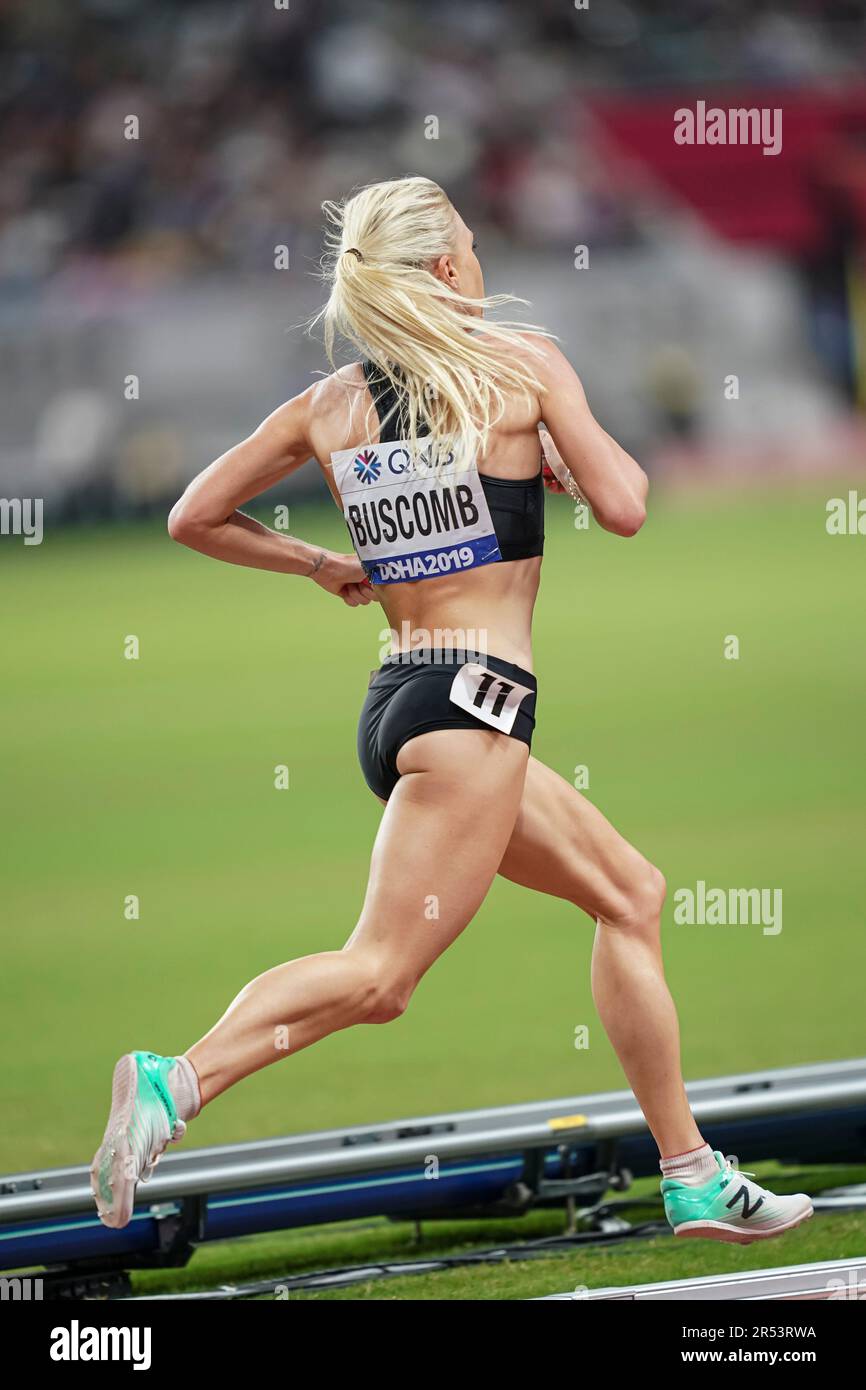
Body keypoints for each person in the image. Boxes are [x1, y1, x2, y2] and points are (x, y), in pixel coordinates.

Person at [91, 176, 812, 1245]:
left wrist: (320, 563)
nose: (481, 267)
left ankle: (690, 1172)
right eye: (470, 249)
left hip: (405, 699)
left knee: (628, 892)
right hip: (476, 705)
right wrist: (568, 450)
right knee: (381, 976)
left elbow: (195, 514)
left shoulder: (328, 405)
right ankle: (176, 1077)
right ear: (441, 270)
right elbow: (623, 505)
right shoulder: (519, 367)